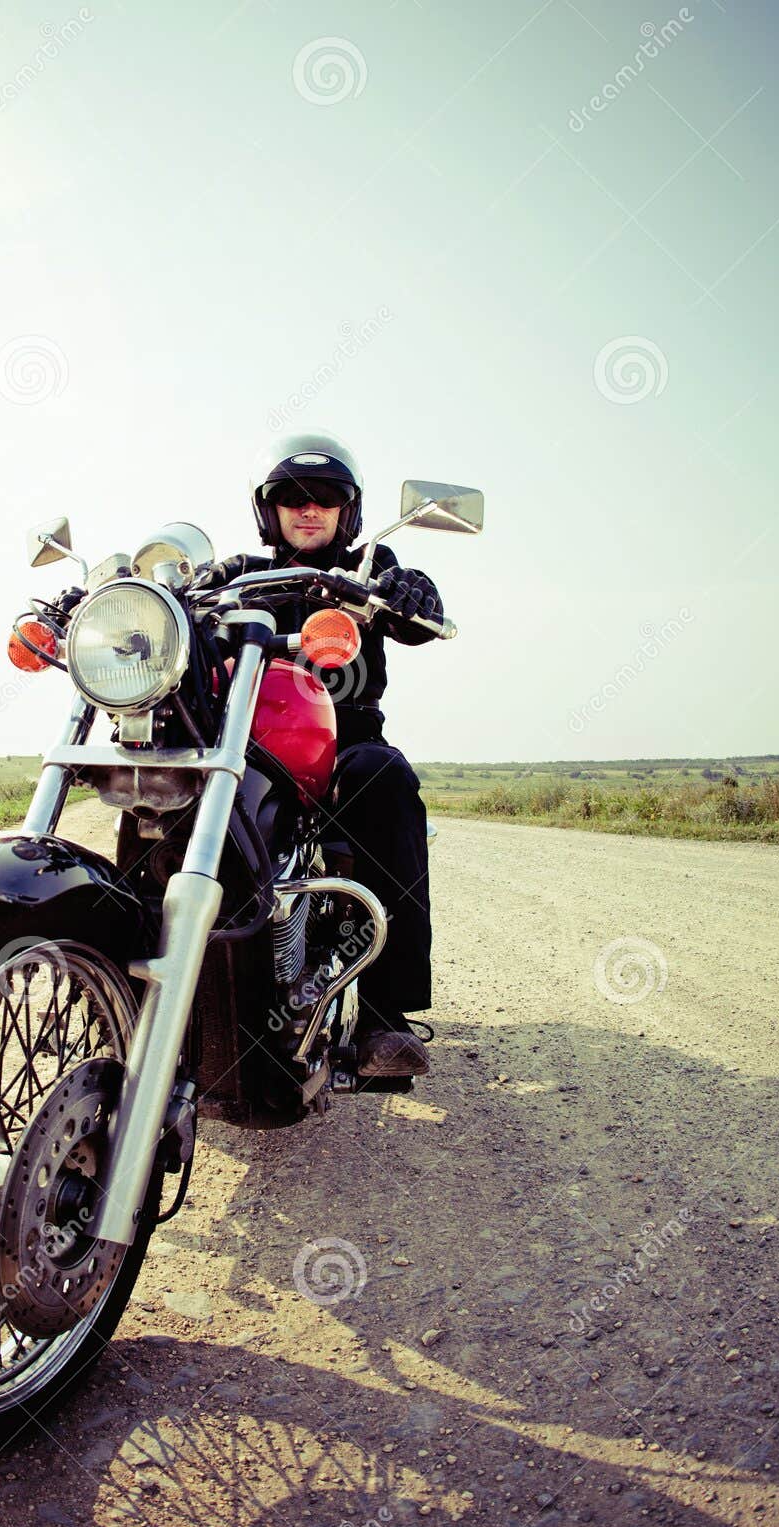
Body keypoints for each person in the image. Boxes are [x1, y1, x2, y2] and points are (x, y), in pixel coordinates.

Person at [208, 430, 444, 1077]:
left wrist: (409, 591)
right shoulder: (237, 577)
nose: (307, 508)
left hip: (343, 747)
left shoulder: (365, 567)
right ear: (268, 508)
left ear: (350, 511)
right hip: (246, 751)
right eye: (290, 496)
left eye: (325, 497)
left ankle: (382, 1019)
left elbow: (409, 603)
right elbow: (180, 598)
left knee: (383, 776)